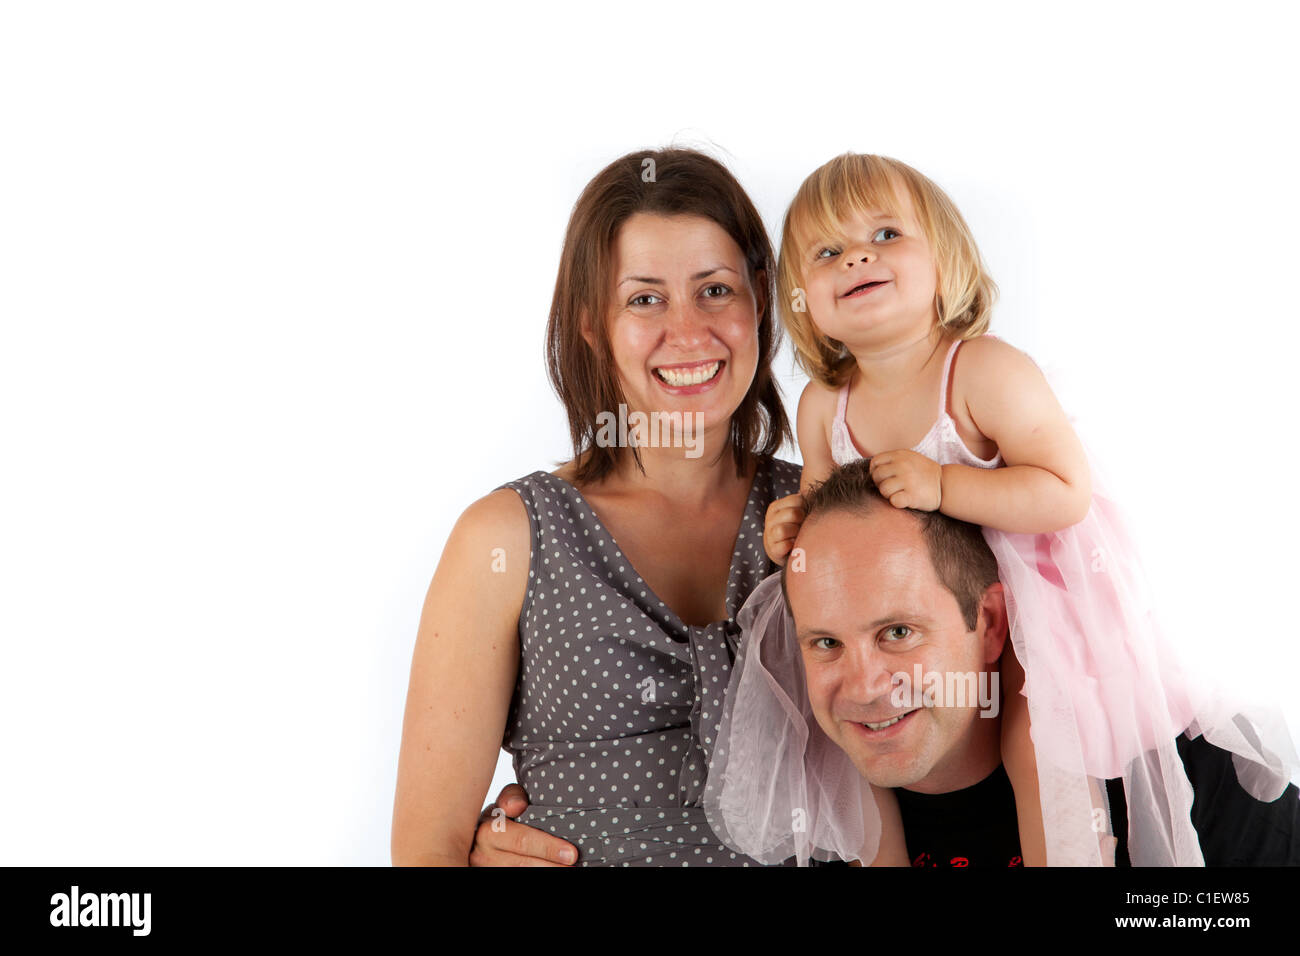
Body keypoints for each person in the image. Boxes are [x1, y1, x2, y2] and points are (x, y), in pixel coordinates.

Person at [709, 151, 1300, 865]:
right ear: (804, 297)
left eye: (886, 235)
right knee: (838, 732)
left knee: (1035, 733)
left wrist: (944, 487)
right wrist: (793, 524)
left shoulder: (981, 370)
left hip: (1037, 590)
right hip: (926, 591)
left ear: (944, 260)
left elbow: (1064, 489)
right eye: (828, 251)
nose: (857, 257)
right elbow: (827, 507)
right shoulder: (822, 404)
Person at [390, 147, 801, 866]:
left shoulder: (826, 512)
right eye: (645, 299)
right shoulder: (509, 538)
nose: (689, 331)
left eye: (715, 290)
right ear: (590, 325)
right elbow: (426, 851)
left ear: (759, 301)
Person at [707, 459, 1300, 866]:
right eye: (826, 643)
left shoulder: (1184, 765)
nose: (863, 686)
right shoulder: (816, 821)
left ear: (989, 623)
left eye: (898, 632)